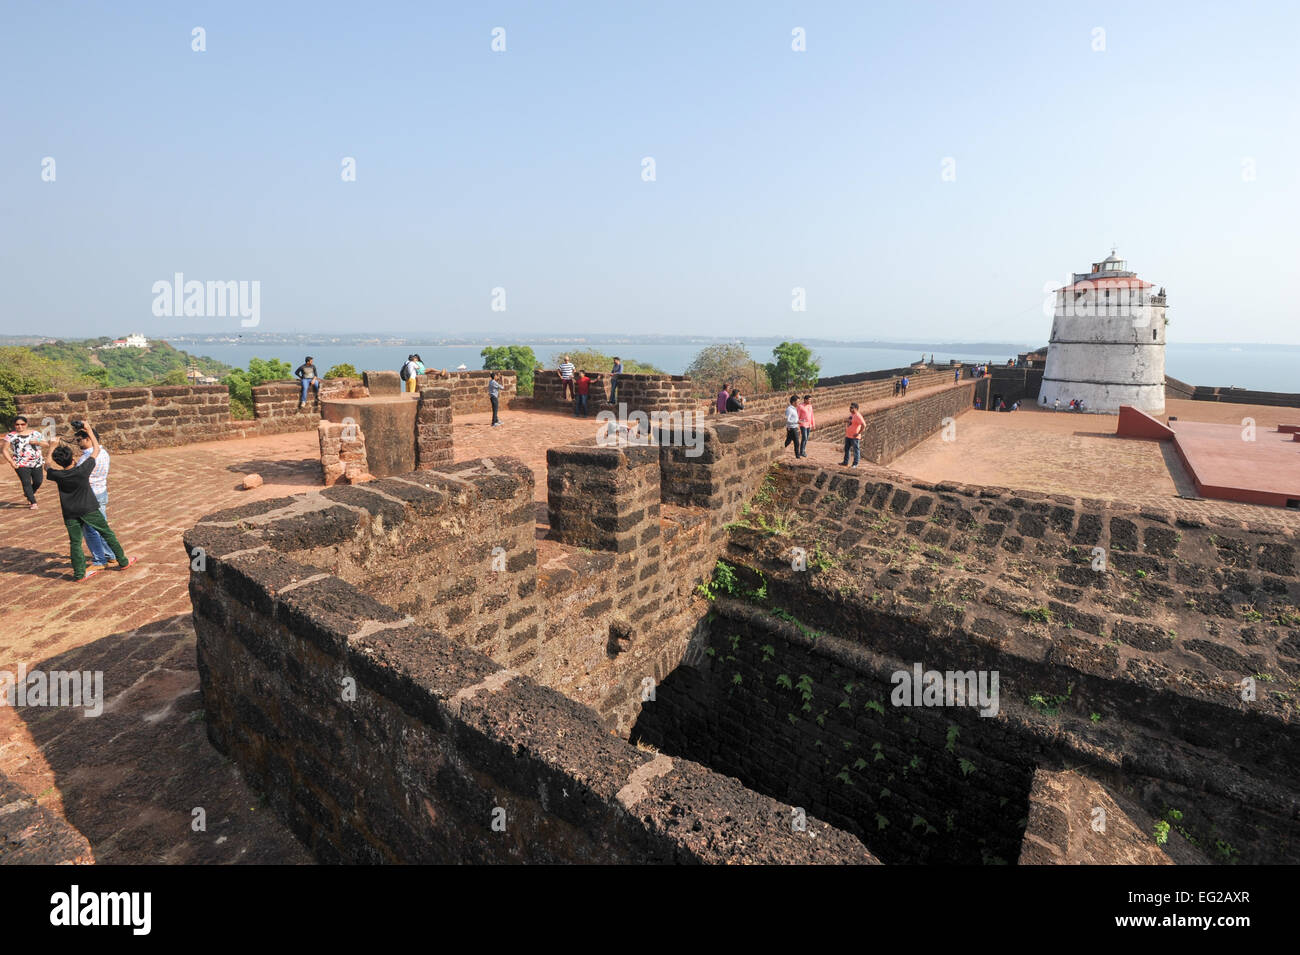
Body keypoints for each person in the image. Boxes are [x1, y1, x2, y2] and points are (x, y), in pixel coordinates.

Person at [45, 422, 135, 580]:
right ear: (73, 459)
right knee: (106, 533)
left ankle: (80, 574)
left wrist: (51, 447)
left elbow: (47, 466)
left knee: (75, 543)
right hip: (89, 506)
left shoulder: (57, 475)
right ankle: (122, 561)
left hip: (70, 512)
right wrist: (89, 430)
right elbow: (97, 450)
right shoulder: (82, 470)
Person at [74, 426, 112, 570]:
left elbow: (78, 477)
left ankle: (100, 559)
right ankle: (110, 555)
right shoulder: (104, 453)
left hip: (89, 495)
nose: (78, 443)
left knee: (91, 529)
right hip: (101, 490)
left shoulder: (86, 458)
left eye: (79, 440)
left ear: (88, 439)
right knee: (102, 525)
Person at [4, 415, 46, 509]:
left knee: (38, 481)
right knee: (26, 482)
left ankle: (29, 493)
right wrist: (11, 462)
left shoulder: (36, 434)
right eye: (17, 424)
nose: (20, 426)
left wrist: (37, 442)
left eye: (22, 424)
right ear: (14, 425)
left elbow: (45, 443)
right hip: (20, 463)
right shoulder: (11, 436)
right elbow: (4, 450)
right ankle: (33, 502)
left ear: (26, 424)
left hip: (36, 462)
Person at [841, 402, 865, 467]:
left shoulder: (858, 416)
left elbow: (863, 425)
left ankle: (855, 464)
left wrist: (858, 433)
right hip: (848, 435)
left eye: (852, 408)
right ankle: (845, 462)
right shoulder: (852, 415)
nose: (850, 409)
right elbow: (850, 422)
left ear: (856, 409)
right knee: (847, 449)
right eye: (850, 408)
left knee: (856, 450)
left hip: (855, 437)